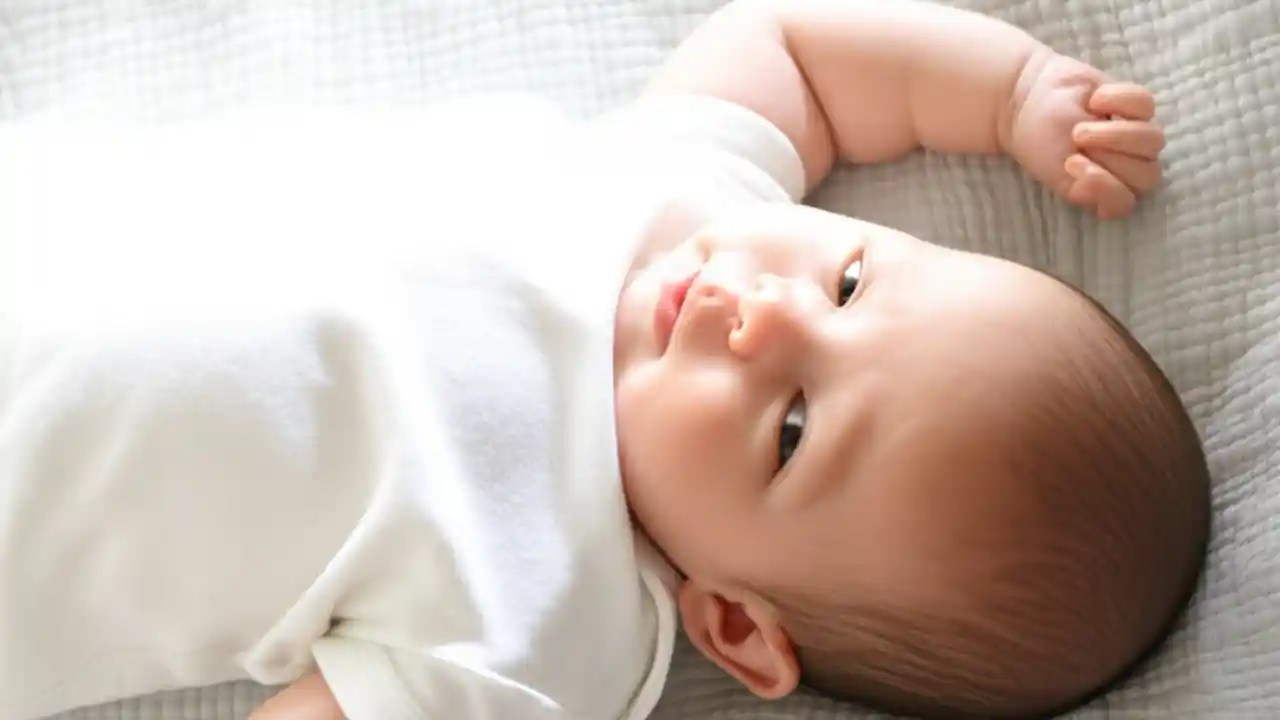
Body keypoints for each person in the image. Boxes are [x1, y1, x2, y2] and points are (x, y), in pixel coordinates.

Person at [0, 1, 1208, 719]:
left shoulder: (550, 621)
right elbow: (794, 48)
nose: (764, 315)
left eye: (790, 427)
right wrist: (1007, 91)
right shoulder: (679, 194)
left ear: (735, 623)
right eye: (849, 279)